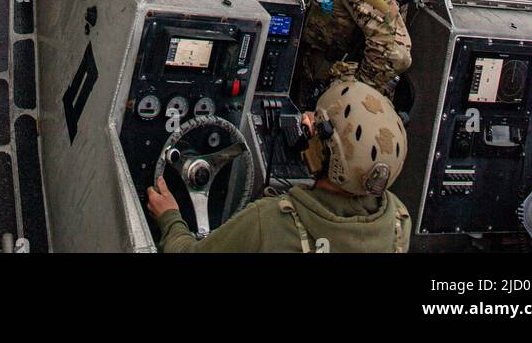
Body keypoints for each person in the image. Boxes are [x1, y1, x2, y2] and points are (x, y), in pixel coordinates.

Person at [148, 77, 411, 253]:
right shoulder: (399, 221)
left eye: (312, 127)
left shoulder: (271, 221)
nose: (306, 126)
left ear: (324, 150)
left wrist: (170, 218)